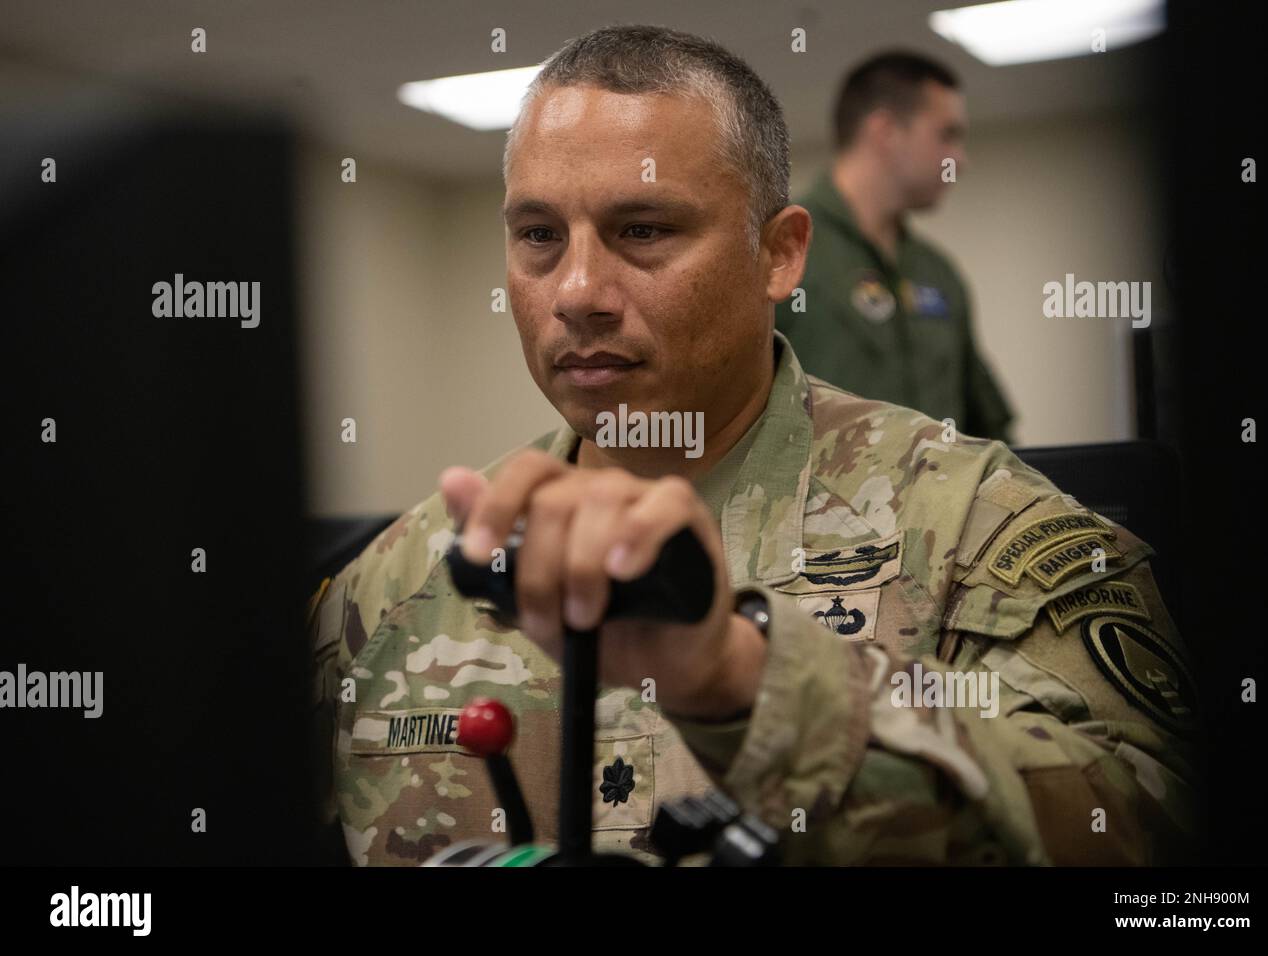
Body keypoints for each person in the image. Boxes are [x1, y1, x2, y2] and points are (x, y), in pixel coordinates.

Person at [307, 24, 1199, 866]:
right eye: (539, 235)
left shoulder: (972, 527)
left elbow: (1152, 821)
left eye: (643, 230)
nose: (576, 291)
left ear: (779, 254)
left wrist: (747, 681)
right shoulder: (395, 584)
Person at [776, 52, 1015, 442]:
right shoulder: (780, 248)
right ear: (885, 131)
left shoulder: (937, 272)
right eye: (947, 135)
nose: (960, 159)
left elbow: (989, 426)